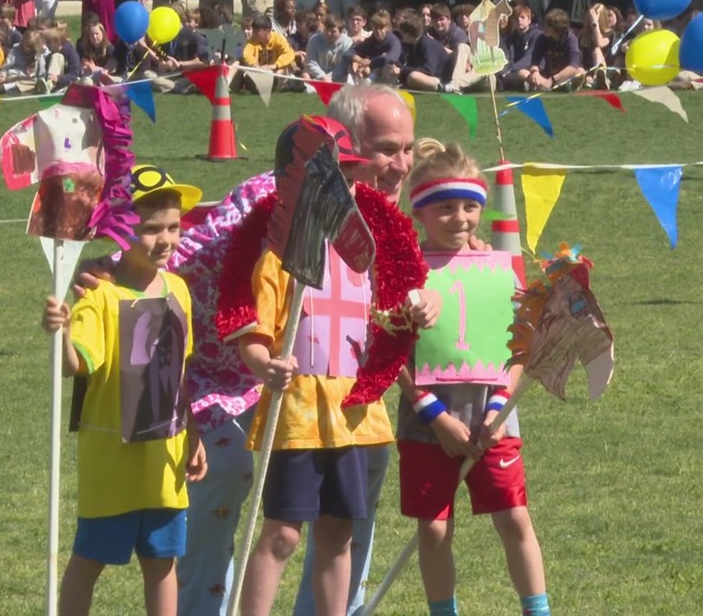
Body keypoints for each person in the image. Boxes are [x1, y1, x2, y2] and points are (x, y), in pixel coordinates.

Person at [74, 83, 437, 616]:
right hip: (234, 378)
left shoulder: (380, 212)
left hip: (343, 392)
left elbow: (390, 299)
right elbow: (184, 247)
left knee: (346, 518)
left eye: (407, 148)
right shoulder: (276, 200)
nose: (400, 164)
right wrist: (112, 272)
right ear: (344, 147)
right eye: (387, 149)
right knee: (237, 496)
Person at [42, 165, 209, 616]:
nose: (165, 239)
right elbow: (77, 365)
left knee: (162, 562)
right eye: (151, 229)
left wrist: (193, 434)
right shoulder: (99, 294)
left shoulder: (178, 290)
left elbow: (178, 372)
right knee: (89, 560)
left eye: (173, 227)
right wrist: (58, 333)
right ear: (120, 231)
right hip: (112, 461)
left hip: (165, 460)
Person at [396, 139, 552, 616]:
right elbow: (393, 353)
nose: (461, 219)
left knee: (514, 517)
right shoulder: (403, 271)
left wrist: (498, 408)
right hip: (427, 423)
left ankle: (537, 609)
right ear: (420, 212)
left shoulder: (497, 267)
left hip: (495, 417)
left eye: (470, 207)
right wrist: (436, 416)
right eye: (445, 208)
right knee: (435, 527)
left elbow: (519, 343)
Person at [305, 13, 353, 82]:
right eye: (327, 30)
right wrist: (323, 77)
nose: (329, 33)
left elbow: (343, 66)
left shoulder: (347, 43)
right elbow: (311, 62)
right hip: (318, 79)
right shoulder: (314, 40)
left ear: (341, 31)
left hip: (339, 80)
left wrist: (329, 78)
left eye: (333, 31)